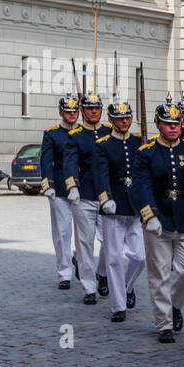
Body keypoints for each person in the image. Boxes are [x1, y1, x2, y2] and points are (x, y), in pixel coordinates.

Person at [133, 98, 184, 343]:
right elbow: (141, 185)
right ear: (157, 124)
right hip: (158, 216)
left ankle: (175, 302)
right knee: (159, 273)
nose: (173, 128)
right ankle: (164, 323)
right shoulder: (146, 152)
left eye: (177, 124)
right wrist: (148, 214)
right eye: (167, 124)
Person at [95, 99, 146, 322]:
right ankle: (118, 306)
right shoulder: (103, 144)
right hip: (114, 205)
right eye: (119, 118)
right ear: (111, 120)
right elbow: (100, 174)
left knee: (141, 257)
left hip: (134, 205)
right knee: (114, 258)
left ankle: (126, 286)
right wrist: (105, 199)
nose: (124, 121)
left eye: (127, 117)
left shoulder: (138, 142)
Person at [70, 92, 109, 305]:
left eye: (97, 108)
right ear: (83, 110)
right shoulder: (75, 135)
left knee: (109, 241)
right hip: (85, 193)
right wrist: (72, 185)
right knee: (84, 242)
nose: (94, 111)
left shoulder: (109, 132)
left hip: (107, 196)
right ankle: (89, 286)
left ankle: (103, 272)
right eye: (89, 108)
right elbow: (69, 161)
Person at [40, 96, 82, 289]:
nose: (72, 114)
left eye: (74, 111)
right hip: (60, 189)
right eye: (68, 111)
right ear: (60, 112)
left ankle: (79, 260)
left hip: (84, 190)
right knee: (62, 233)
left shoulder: (84, 132)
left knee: (86, 234)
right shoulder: (52, 134)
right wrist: (48, 185)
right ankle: (64, 273)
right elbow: (46, 161)